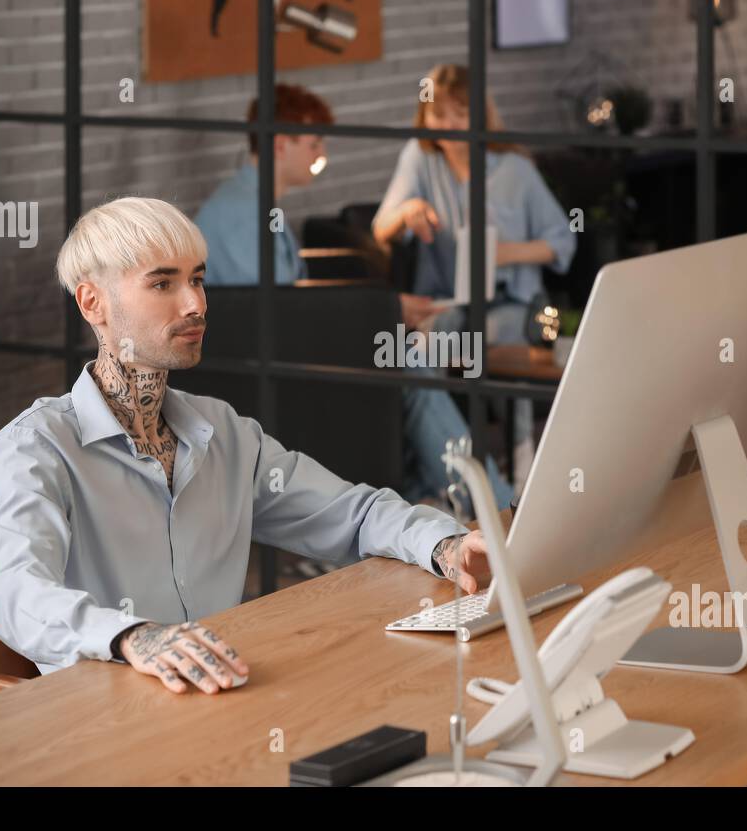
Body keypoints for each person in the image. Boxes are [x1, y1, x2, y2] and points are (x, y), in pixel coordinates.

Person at [0, 197, 493, 694]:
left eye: (197, 280)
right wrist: (132, 636)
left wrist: (446, 546)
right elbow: (17, 596)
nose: (195, 304)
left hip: (225, 694)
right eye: (163, 283)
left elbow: (352, 515)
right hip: (101, 723)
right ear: (93, 303)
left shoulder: (222, 431)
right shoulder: (35, 449)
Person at [194, 83, 514, 517]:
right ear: (281, 142)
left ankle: (440, 500)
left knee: (415, 355)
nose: (320, 154)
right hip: (271, 375)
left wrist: (384, 309)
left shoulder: (253, 204)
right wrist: (381, 314)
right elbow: (274, 314)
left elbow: (291, 302)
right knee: (408, 365)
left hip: (291, 349)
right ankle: (491, 505)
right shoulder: (241, 217)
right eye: (313, 143)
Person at [372, 63, 575, 483]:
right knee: (418, 352)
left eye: (460, 114)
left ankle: (520, 463)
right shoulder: (419, 159)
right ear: (424, 117)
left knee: (488, 339)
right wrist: (407, 211)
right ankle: (439, 469)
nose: (449, 126)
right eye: (438, 115)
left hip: (511, 302)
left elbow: (563, 240)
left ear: (479, 114)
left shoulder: (514, 170)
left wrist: (505, 253)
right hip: (446, 300)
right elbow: (381, 229)